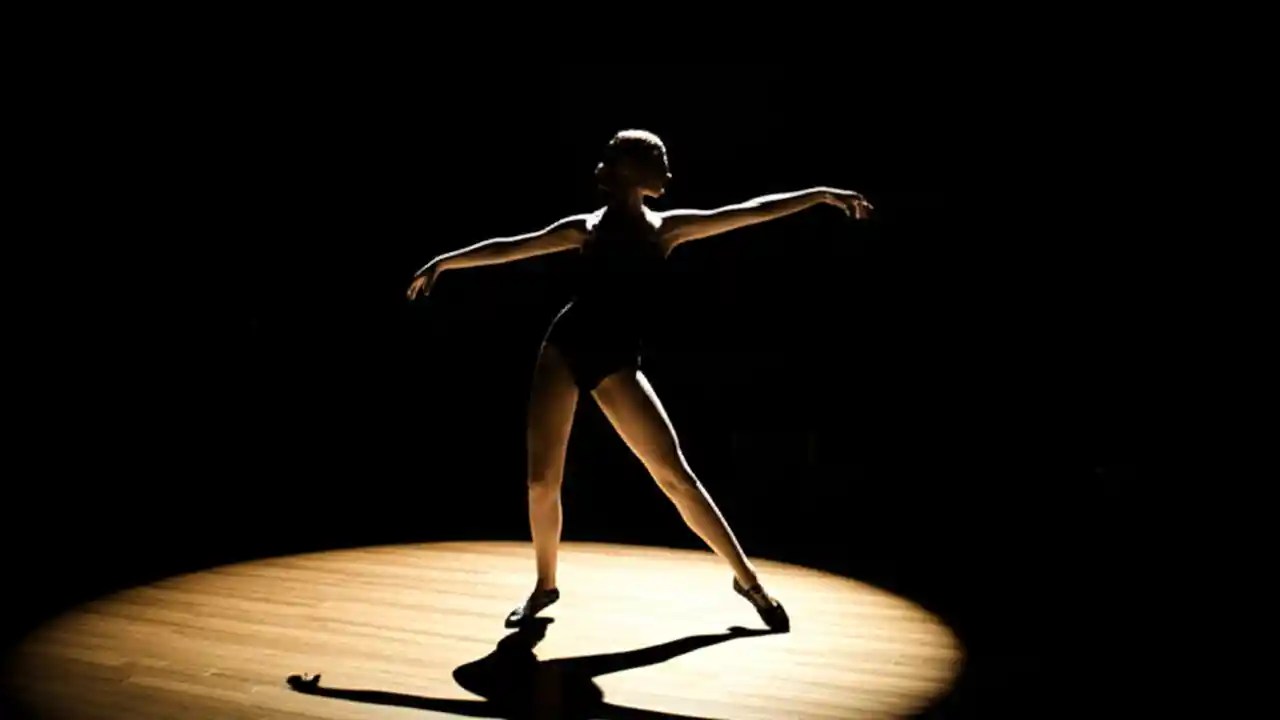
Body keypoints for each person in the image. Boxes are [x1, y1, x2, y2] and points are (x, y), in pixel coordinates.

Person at [407, 129, 872, 632]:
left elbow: (751, 209)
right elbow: (511, 248)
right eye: (661, 163)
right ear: (631, 171)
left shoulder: (666, 229)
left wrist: (820, 194)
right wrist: (446, 261)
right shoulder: (583, 229)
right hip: (564, 350)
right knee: (542, 481)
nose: (669, 174)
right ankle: (545, 586)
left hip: (614, 359)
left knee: (675, 476)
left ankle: (749, 581)